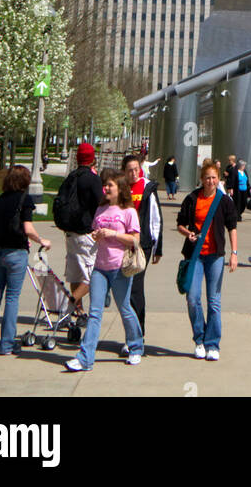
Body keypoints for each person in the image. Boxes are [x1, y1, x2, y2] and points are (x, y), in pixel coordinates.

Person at [64, 170, 143, 371]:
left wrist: (113, 234)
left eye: (110, 185)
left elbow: (135, 239)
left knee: (124, 308)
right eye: (105, 185)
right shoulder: (101, 209)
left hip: (120, 268)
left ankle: (135, 346)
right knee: (95, 313)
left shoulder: (128, 212)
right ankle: (85, 358)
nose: (105, 188)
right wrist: (97, 235)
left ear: (120, 189)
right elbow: (94, 231)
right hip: (100, 267)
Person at [0, 165, 51, 355]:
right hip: (15, 253)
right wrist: (42, 240)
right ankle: (6, 344)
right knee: (12, 297)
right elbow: (27, 229)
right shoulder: (24, 199)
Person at [177, 158, 238, 361]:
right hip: (195, 256)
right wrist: (188, 233)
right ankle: (199, 340)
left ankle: (213, 344)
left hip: (215, 257)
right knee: (193, 299)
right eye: (207, 178)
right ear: (201, 179)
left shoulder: (224, 201)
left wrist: (234, 253)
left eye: (214, 178)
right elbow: (180, 224)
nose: (210, 181)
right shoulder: (192, 198)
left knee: (214, 302)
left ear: (218, 179)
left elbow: (232, 228)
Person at [56, 142, 104, 322]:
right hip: (87, 233)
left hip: (70, 233)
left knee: (76, 274)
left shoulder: (70, 177)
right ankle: (68, 305)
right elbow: (101, 204)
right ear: (92, 158)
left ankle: (78, 312)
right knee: (92, 277)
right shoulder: (93, 179)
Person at [123, 153, 163, 345]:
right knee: (124, 291)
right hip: (122, 245)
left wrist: (157, 247)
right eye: (129, 170)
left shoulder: (147, 189)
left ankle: (138, 335)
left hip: (142, 245)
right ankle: (130, 334)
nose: (133, 174)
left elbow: (156, 219)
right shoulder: (120, 190)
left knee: (135, 289)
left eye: (135, 170)